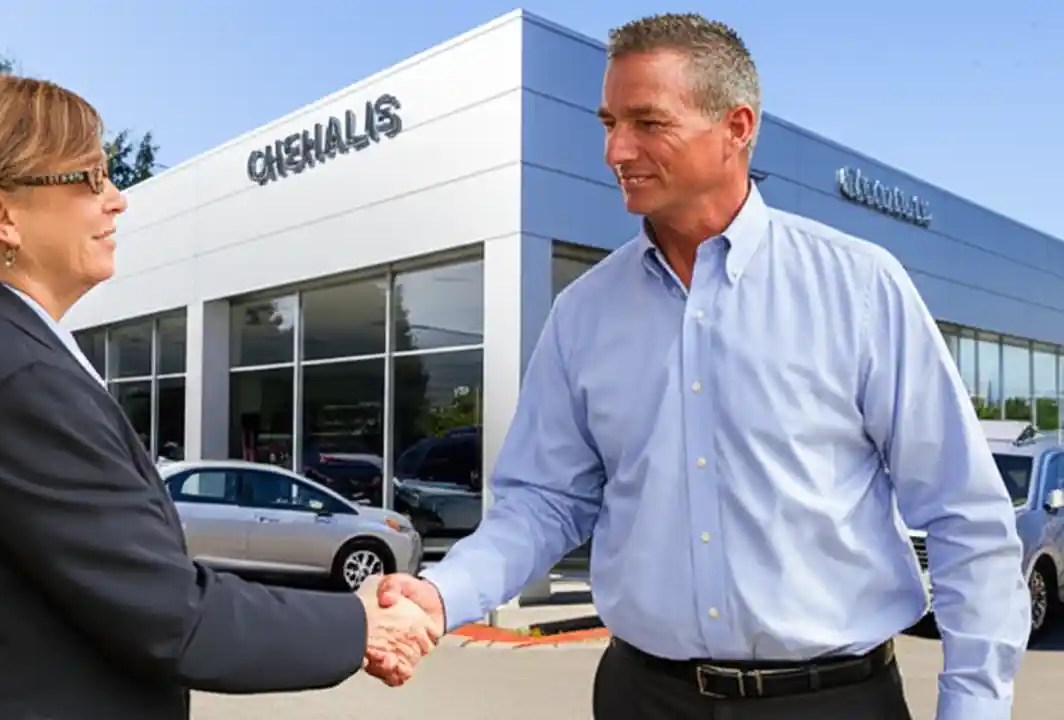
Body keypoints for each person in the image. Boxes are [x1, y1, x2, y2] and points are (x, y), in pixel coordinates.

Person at [377, 12, 1029, 720]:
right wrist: (442, 594)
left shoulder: (860, 288)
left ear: (737, 127)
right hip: (643, 698)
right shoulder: (583, 313)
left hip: (832, 700)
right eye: (609, 123)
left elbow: (965, 514)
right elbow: (543, 502)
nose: (616, 149)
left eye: (648, 122)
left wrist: (974, 706)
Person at [0, 72, 439, 720]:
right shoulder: (16, 380)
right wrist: (361, 625)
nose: (117, 200)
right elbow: (173, 616)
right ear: (0, 214)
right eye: (89, 178)